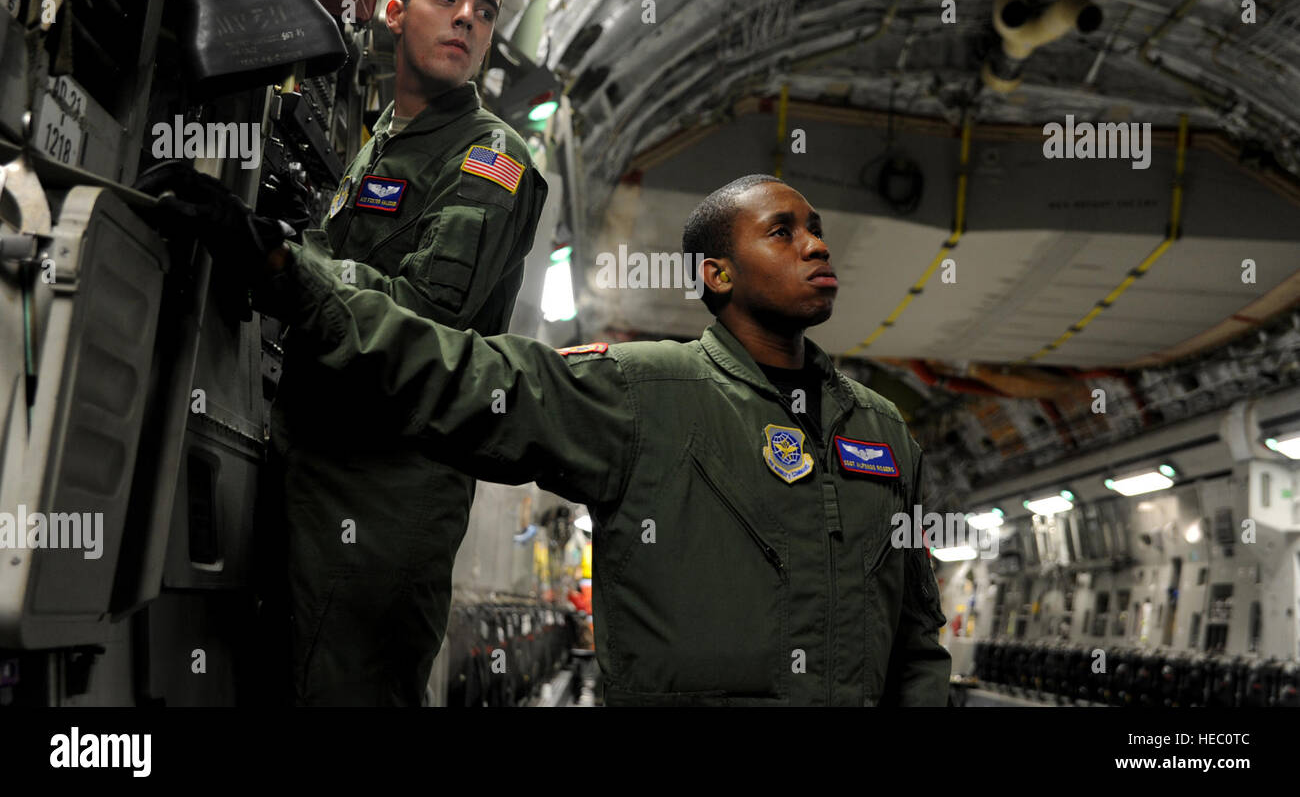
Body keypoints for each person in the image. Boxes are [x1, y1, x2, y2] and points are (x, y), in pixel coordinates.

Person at [143, 172, 950, 705]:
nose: (816, 243)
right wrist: (289, 275)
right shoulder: (643, 395)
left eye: (816, 229)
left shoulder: (881, 434)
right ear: (718, 274)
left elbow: (915, 642)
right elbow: (459, 374)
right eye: (783, 231)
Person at [258, 0, 548, 705]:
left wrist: (290, 267)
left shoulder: (492, 157)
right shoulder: (385, 141)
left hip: (387, 491)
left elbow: (427, 315)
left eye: (484, 12)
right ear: (394, 14)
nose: (466, 20)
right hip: (319, 463)